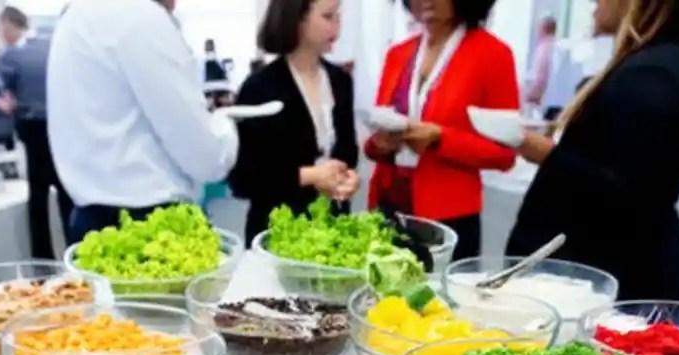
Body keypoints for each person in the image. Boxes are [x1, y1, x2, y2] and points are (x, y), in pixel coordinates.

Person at [504, 0, 679, 302]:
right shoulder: (660, 62)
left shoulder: (654, 74)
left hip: (607, 281)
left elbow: (629, 193)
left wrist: (549, 154)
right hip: (610, 272)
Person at [48, 0, 239, 243]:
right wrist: (225, 123)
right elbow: (206, 159)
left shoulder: (74, 17)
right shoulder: (140, 18)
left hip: (91, 223)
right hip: (155, 229)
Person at [365, 0, 520, 261]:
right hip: (389, 205)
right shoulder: (398, 54)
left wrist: (440, 138)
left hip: (448, 216)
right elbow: (374, 138)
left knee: (439, 300)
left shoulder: (493, 54)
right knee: (382, 298)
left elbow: (504, 154)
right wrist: (380, 144)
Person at [229, 0, 358, 241]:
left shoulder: (340, 81)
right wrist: (310, 176)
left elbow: (347, 152)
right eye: (328, 17)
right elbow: (242, 178)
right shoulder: (259, 87)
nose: (337, 29)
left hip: (332, 229)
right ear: (297, 19)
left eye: (338, 17)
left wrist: (347, 178)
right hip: (276, 232)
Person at [0, 5, 74, 260]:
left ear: (9, 25)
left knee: (38, 199)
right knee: (66, 193)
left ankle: (42, 259)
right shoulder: (49, 45)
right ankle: (75, 250)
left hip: (33, 127)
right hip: (60, 126)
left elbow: (8, 97)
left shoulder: (10, 57)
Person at [526, 16, 557, 109]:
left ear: (543, 29)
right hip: (554, 102)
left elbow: (540, 78)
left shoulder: (543, 48)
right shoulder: (558, 47)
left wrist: (530, 96)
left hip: (543, 102)